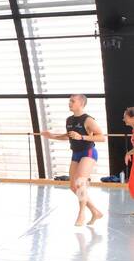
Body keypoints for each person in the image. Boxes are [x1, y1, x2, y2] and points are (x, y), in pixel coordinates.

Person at [42, 94, 106, 226]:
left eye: (72, 101)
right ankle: (95, 211)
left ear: (81, 103)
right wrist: (52, 136)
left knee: (81, 182)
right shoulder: (69, 120)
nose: (69, 103)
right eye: (69, 101)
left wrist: (81, 137)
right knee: (73, 186)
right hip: (76, 154)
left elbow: (101, 137)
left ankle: (81, 214)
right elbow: (69, 136)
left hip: (88, 152)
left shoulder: (88, 120)